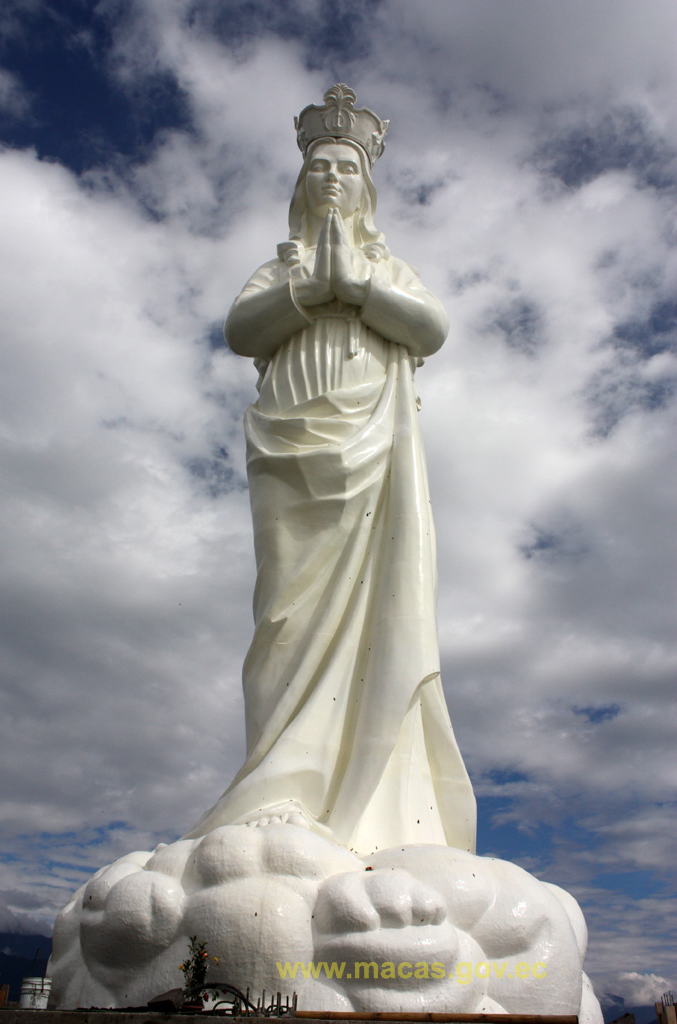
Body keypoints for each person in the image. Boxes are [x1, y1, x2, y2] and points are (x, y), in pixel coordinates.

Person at [185, 86, 476, 855]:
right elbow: (242, 330)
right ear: (300, 183)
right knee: (285, 616)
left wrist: (361, 287)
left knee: (373, 611)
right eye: (318, 167)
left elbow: (432, 328)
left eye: (346, 166)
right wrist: (312, 288)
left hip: (370, 446)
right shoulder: (276, 268)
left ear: (365, 183)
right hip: (290, 448)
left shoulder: (389, 266)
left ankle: (366, 800)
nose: (332, 178)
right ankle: (277, 780)